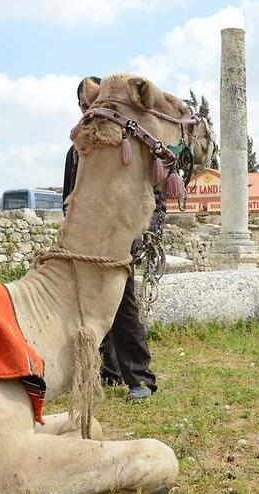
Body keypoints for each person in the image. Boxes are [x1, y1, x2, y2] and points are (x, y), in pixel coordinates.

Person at [63, 77, 159, 400]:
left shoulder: (126, 145)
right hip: (86, 242)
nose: (87, 109)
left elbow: (146, 192)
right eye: (83, 105)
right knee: (88, 304)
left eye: (91, 102)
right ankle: (108, 371)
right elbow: (70, 198)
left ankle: (140, 378)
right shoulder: (75, 151)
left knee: (123, 305)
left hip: (119, 240)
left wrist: (140, 232)